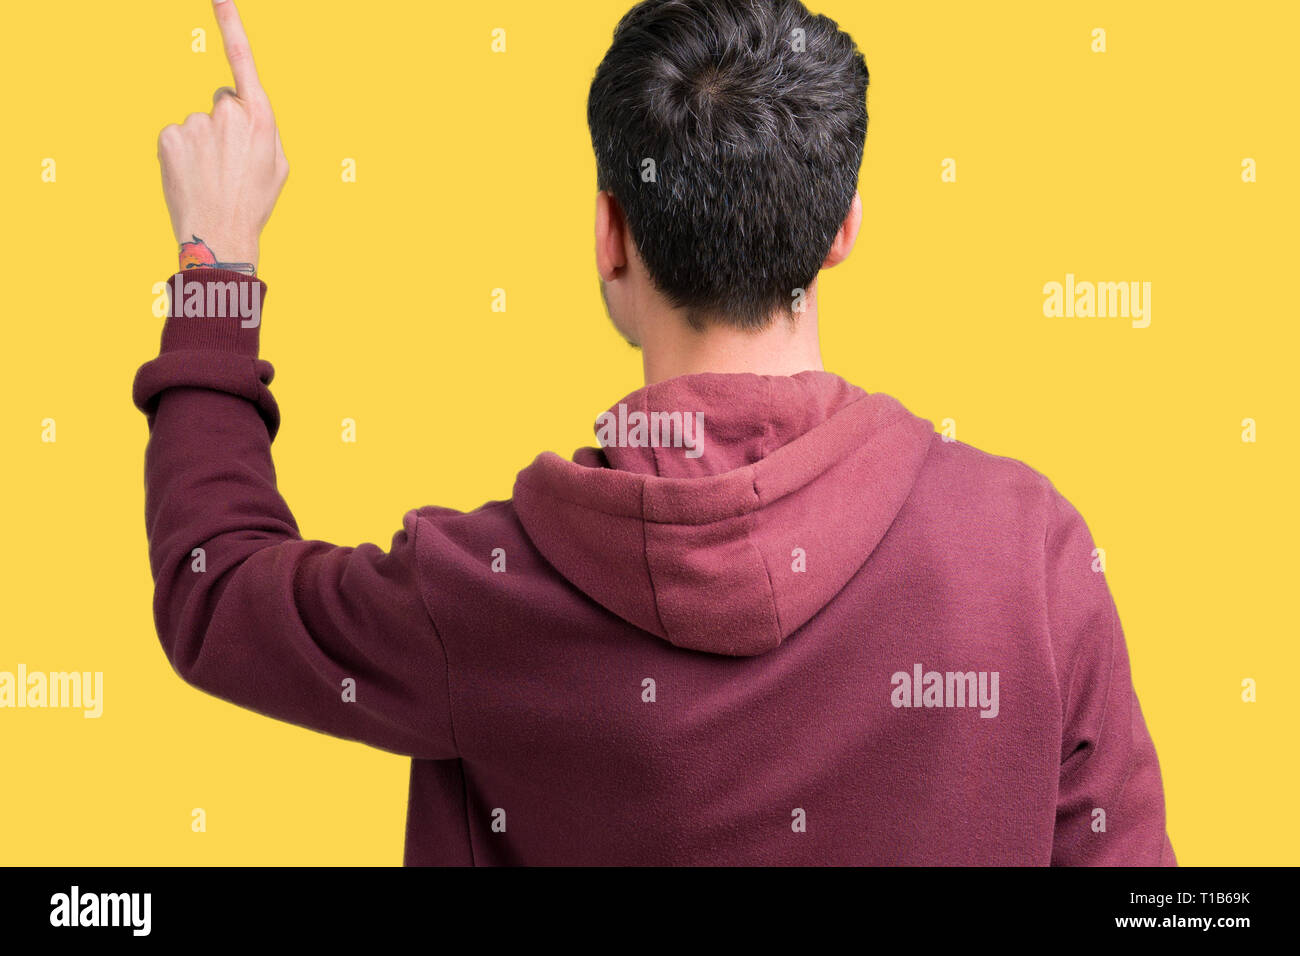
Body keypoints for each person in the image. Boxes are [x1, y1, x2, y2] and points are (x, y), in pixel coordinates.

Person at [135, 0, 1176, 865]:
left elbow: (215, 588)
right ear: (844, 227)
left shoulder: (482, 593)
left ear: (608, 233)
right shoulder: (1028, 548)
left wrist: (216, 263)